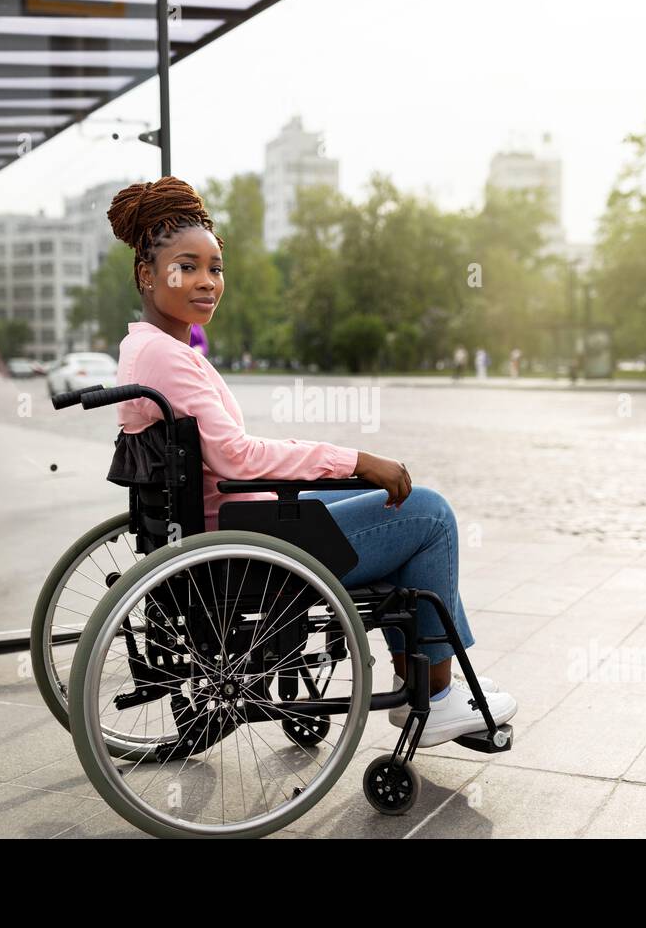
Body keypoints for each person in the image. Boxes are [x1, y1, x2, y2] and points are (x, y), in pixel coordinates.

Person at [106, 176, 517, 746]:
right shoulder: (169, 358)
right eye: (188, 266)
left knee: (385, 502)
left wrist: (339, 465)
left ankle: (437, 680)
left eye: (216, 267)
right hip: (249, 546)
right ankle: (439, 696)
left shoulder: (146, 347)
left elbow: (228, 452)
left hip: (231, 523)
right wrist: (351, 456)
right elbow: (237, 457)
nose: (207, 282)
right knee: (428, 515)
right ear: (148, 275)